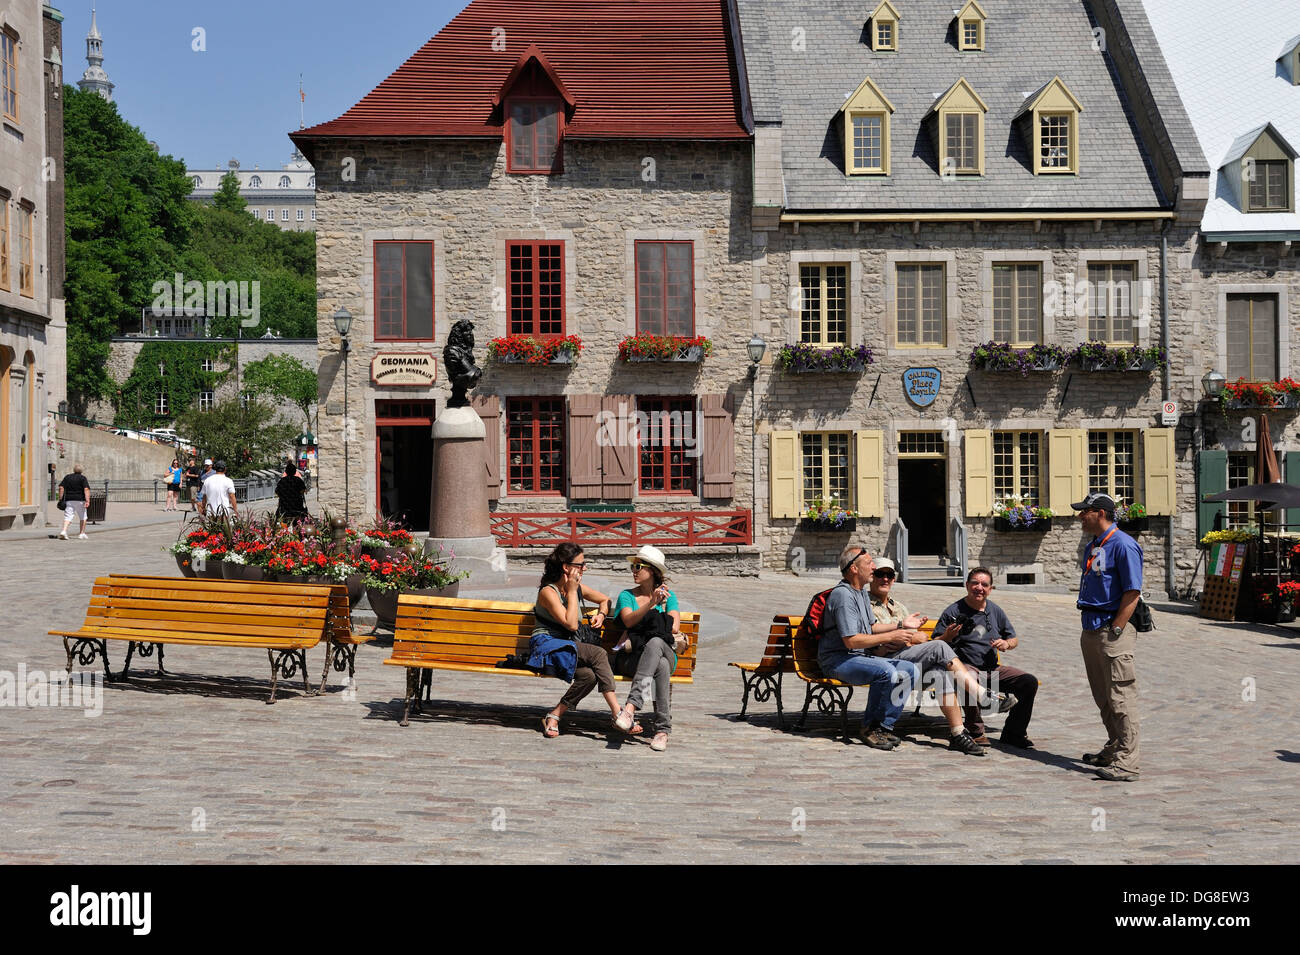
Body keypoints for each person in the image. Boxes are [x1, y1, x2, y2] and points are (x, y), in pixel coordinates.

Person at [867, 557, 990, 756]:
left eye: (889, 575)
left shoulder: (898, 607)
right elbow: (872, 639)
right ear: (871, 576)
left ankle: (958, 734)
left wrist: (926, 638)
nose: (885, 579)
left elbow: (916, 643)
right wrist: (907, 638)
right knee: (939, 646)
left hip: (907, 659)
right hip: (882, 662)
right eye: (880, 574)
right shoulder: (865, 604)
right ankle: (981, 695)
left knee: (940, 672)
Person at [817, 544, 919, 750]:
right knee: (886, 671)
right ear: (854, 568)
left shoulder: (861, 593)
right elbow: (851, 641)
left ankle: (884, 726)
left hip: (857, 657)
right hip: (837, 659)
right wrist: (893, 635)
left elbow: (871, 627)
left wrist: (900, 625)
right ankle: (868, 728)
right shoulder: (843, 595)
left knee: (910, 670)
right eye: (869, 563)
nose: (874, 567)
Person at [1073, 492, 1144, 782]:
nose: (1080, 517)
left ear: (1100, 513)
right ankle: (1115, 747)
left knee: (1121, 697)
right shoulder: (1095, 544)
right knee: (1103, 697)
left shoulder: (1124, 545)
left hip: (1111, 630)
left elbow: (1132, 592)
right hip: (1091, 628)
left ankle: (1127, 763)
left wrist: (1116, 628)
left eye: (1084, 512)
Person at [935, 568, 1039, 749]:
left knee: (1029, 682)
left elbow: (1013, 639)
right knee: (968, 676)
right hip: (965, 667)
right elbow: (935, 643)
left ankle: (1014, 733)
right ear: (967, 585)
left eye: (984, 584)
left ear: (990, 589)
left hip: (993, 669)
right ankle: (975, 731)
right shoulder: (953, 611)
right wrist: (947, 636)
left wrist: (1006, 644)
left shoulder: (995, 610)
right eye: (975, 583)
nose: (979, 587)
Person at [529, 543, 626, 739]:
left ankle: (554, 715)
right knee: (599, 653)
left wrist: (601, 614)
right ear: (567, 567)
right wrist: (572, 592)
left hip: (566, 646)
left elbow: (605, 600)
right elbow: (571, 625)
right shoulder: (549, 592)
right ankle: (618, 713)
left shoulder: (576, 587)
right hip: (546, 646)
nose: (585, 568)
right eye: (581, 564)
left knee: (589, 676)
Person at [612, 545, 689, 752]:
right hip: (633, 658)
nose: (634, 570)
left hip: (662, 649)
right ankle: (662, 730)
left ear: (653, 571)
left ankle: (630, 708)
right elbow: (628, 621)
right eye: (633, 566)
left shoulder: (668, 596)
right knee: (661, 666)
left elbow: (674, 627)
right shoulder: (626, 596)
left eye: (639, 566)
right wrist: (651, 605)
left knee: (656, 644)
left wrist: (659, 603)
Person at [56, 464, 91, 540]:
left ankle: (64, 531)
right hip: (80, 500)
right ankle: (81, 533)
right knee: (83, 516)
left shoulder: (67, 477)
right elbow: (86, 489)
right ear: (81, 471)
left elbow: (61, 487)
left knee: (68, 516)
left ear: (74, 470)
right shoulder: (83, 478)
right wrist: (87, 500)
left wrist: (60, 498)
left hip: (69, 500)